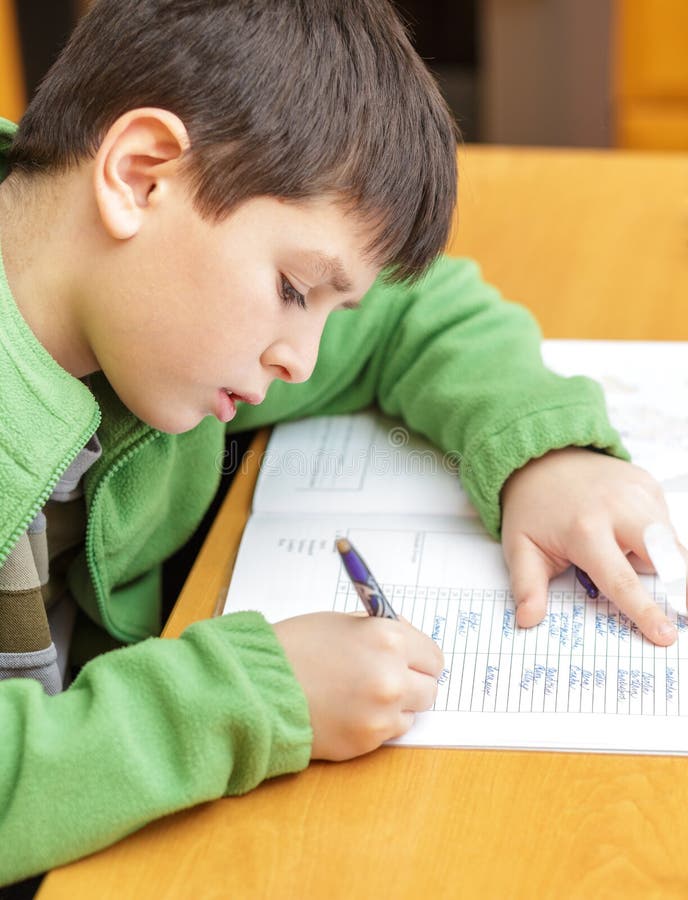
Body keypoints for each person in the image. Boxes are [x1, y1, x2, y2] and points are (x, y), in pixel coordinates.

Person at [0, 0, 681, 885]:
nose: (303, 357)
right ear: (141, 175)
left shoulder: (144, 313)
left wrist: (543, 452)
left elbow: (415, 312)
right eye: (293, 289)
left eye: (330, 307)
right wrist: (248, 696)